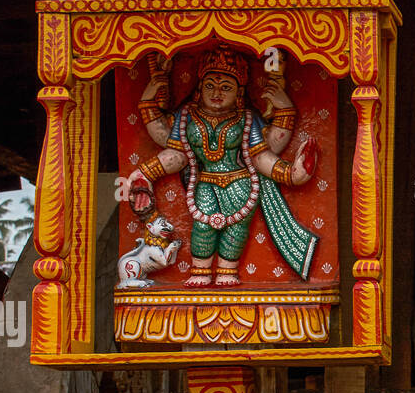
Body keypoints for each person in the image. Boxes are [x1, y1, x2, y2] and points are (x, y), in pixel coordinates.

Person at [131, 44, 320, 288]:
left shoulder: (245, 118)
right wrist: (145, 174)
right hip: (205, 182)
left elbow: (262, 153)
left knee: (236, 230)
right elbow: (173, 149)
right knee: (202, 226)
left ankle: (227, 273)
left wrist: (293, 174)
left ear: (239, 92)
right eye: (210, 85)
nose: (217, 92)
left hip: (241, 184)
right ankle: (200, 272)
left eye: (226, 87)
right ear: (199, 89)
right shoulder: (188, 115)